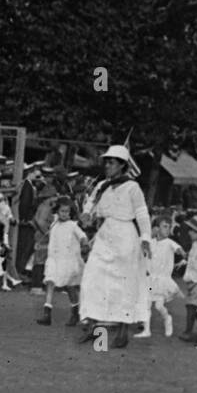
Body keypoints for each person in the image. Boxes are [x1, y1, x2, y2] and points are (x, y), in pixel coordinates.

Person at [77, 145, 152, 350]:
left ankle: (123, 332)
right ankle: (94, 327)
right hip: (105, 236)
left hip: (125, 237)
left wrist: (145, 237)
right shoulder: (102, 186)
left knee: (123, 284)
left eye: (112, 162)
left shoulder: (132, 188)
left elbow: (142, 214)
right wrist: (86, 215)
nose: (107, 166)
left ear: (122, 166)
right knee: (93, 280)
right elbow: (90, 206)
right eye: (106, 162)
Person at [38, 197, 87, 326]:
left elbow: (82, 236)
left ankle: (75, 313)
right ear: (57, 212)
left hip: (68, 261)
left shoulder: (72, 225)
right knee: (50, 281)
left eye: (67, 211)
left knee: (70, 287)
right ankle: (47, 313)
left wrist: (84, 243)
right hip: (54, 259)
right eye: (62, 211)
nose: (65, 214)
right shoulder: (54, 224)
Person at [140, 214, 184, 338]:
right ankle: (146, 330)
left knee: (159, 306)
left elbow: (178, 249)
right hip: (150, 280)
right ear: (156, 228)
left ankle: (167, 318)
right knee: (147, 303)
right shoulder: (151, 243)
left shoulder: (170, 242)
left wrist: (181, 251)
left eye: (169, 227)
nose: (168, 230)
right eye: (164, 226)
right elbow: (144, 254)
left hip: (162, 281)